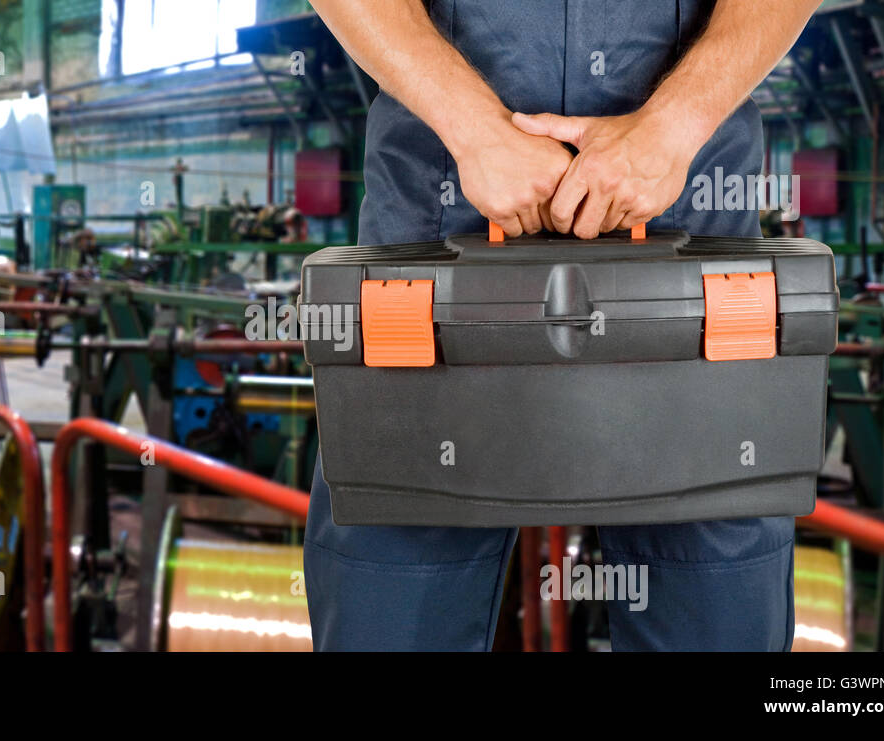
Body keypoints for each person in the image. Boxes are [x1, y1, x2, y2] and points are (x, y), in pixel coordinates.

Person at [304, 0, 821, 651]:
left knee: (715, 603)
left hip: (689, 225)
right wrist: (474, 129)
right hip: (433, 219)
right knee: (391, 597)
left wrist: (670, 128)